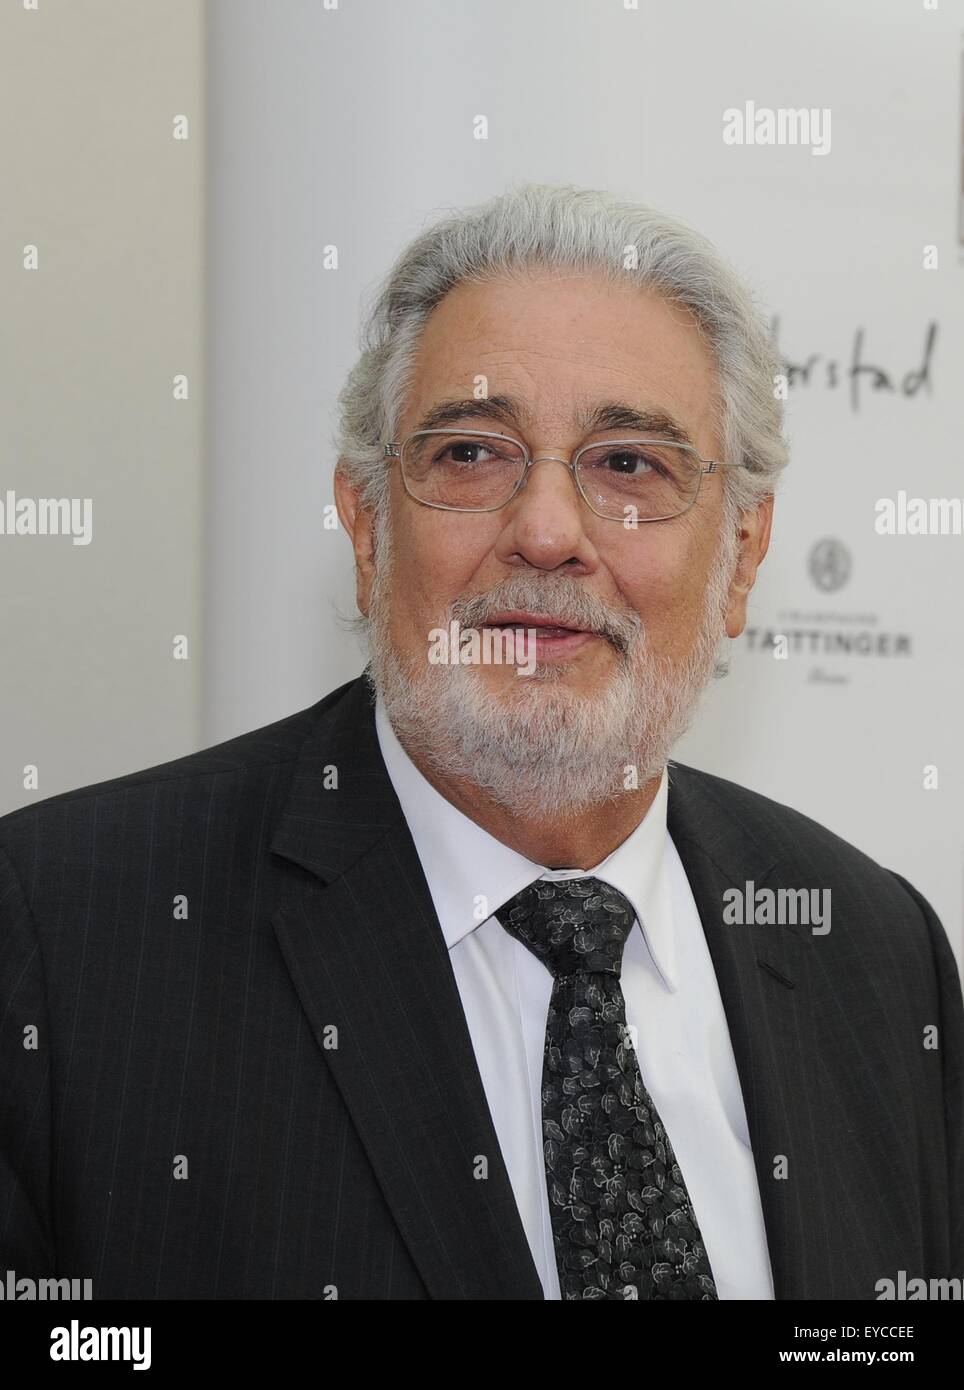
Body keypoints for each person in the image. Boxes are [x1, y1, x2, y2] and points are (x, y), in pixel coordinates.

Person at [1, 185, 960, 1301]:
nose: (547, 532)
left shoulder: (876, 954)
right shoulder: (62, 941)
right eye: (469, 452)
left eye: (628, 465)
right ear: (366, 529)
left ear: (742, 556)